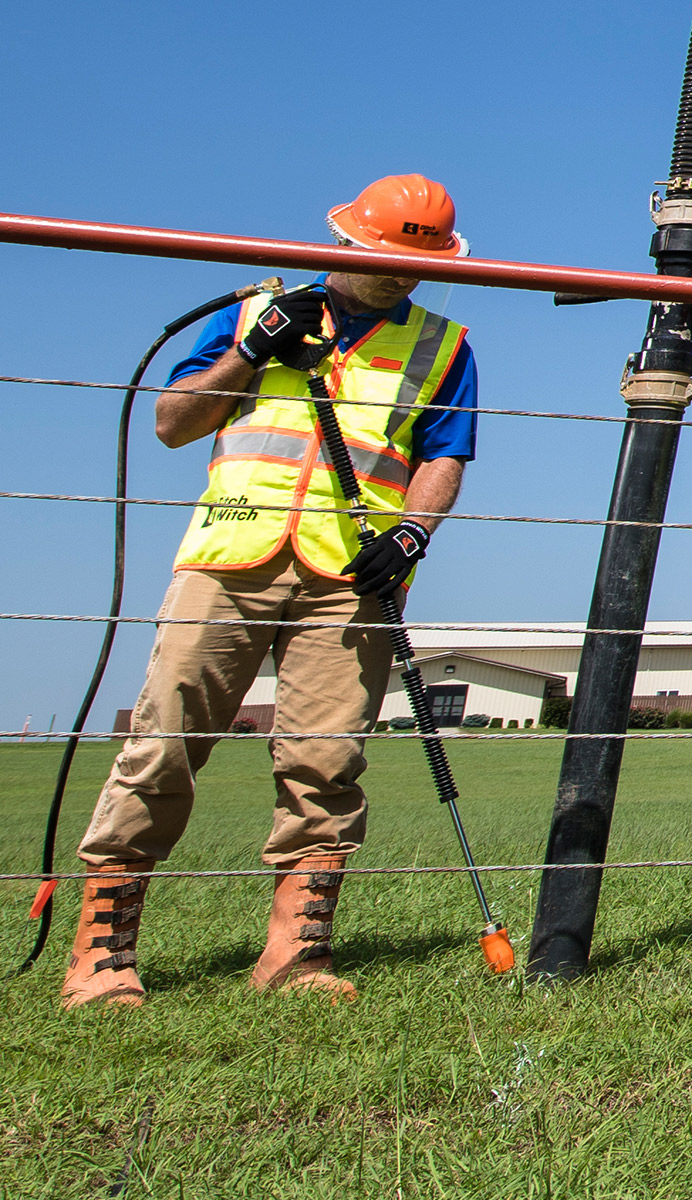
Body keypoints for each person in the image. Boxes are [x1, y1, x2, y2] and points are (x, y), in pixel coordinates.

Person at [62, 174, 478, 1008]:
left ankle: (297, 957)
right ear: (343, 242)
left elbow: (445, 454)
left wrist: (413, 533)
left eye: (417, 263)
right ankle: (102, 956)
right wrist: (251, 354)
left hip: (351, 572)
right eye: (386, 256)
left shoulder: (444, 344)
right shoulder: (252, 315)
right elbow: (173, 422)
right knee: (164, 742)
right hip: (230, 558)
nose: (402, 274)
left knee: (326, 762)